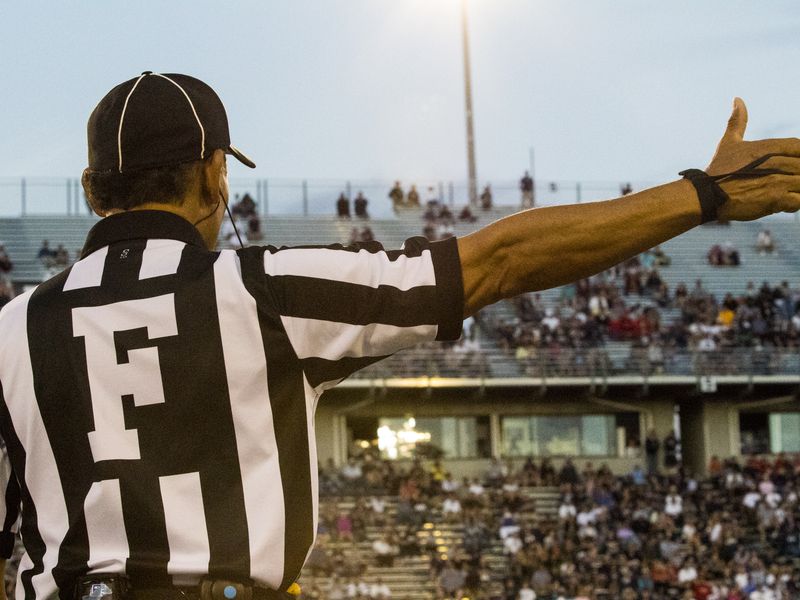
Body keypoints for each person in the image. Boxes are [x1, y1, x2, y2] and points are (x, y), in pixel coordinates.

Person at [0, 75, 798, 599]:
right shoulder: (258, 290)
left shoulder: (10, 332)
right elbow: (500, 260)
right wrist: (702, 194)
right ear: (215, 176)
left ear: (89, 189)